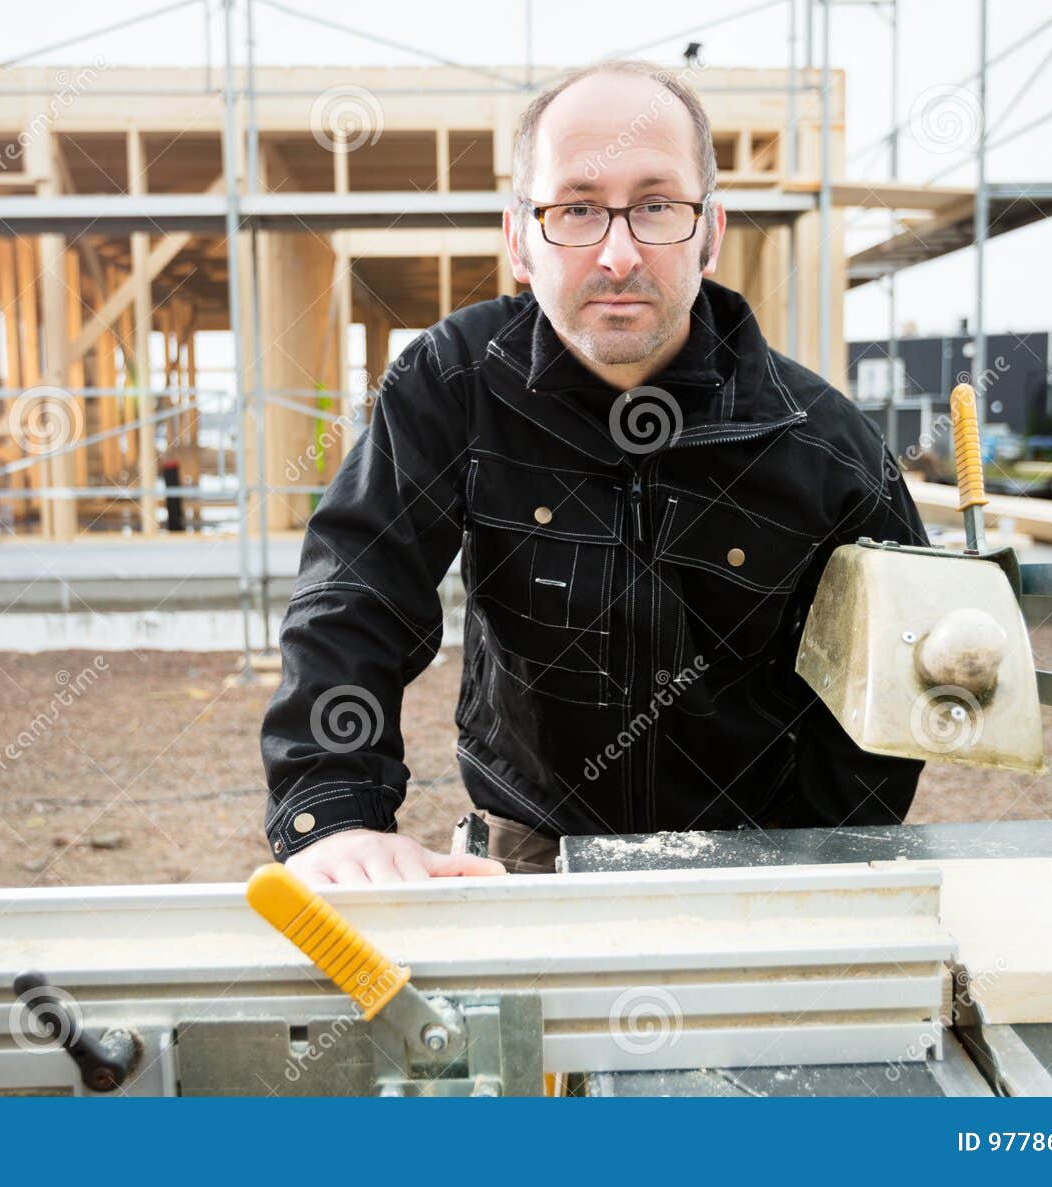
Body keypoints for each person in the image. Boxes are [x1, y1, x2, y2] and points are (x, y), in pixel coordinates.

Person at [261, 59, 928, 885]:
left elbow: (889, 697)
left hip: (759, 863)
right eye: (576, 208)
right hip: (528, 853)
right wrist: (335, 811)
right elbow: (354, 595)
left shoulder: (825, 446)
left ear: (711, 233)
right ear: (519, 241)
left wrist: (803, 863)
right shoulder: (454, 385)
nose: (618, 254)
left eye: (655, 206)